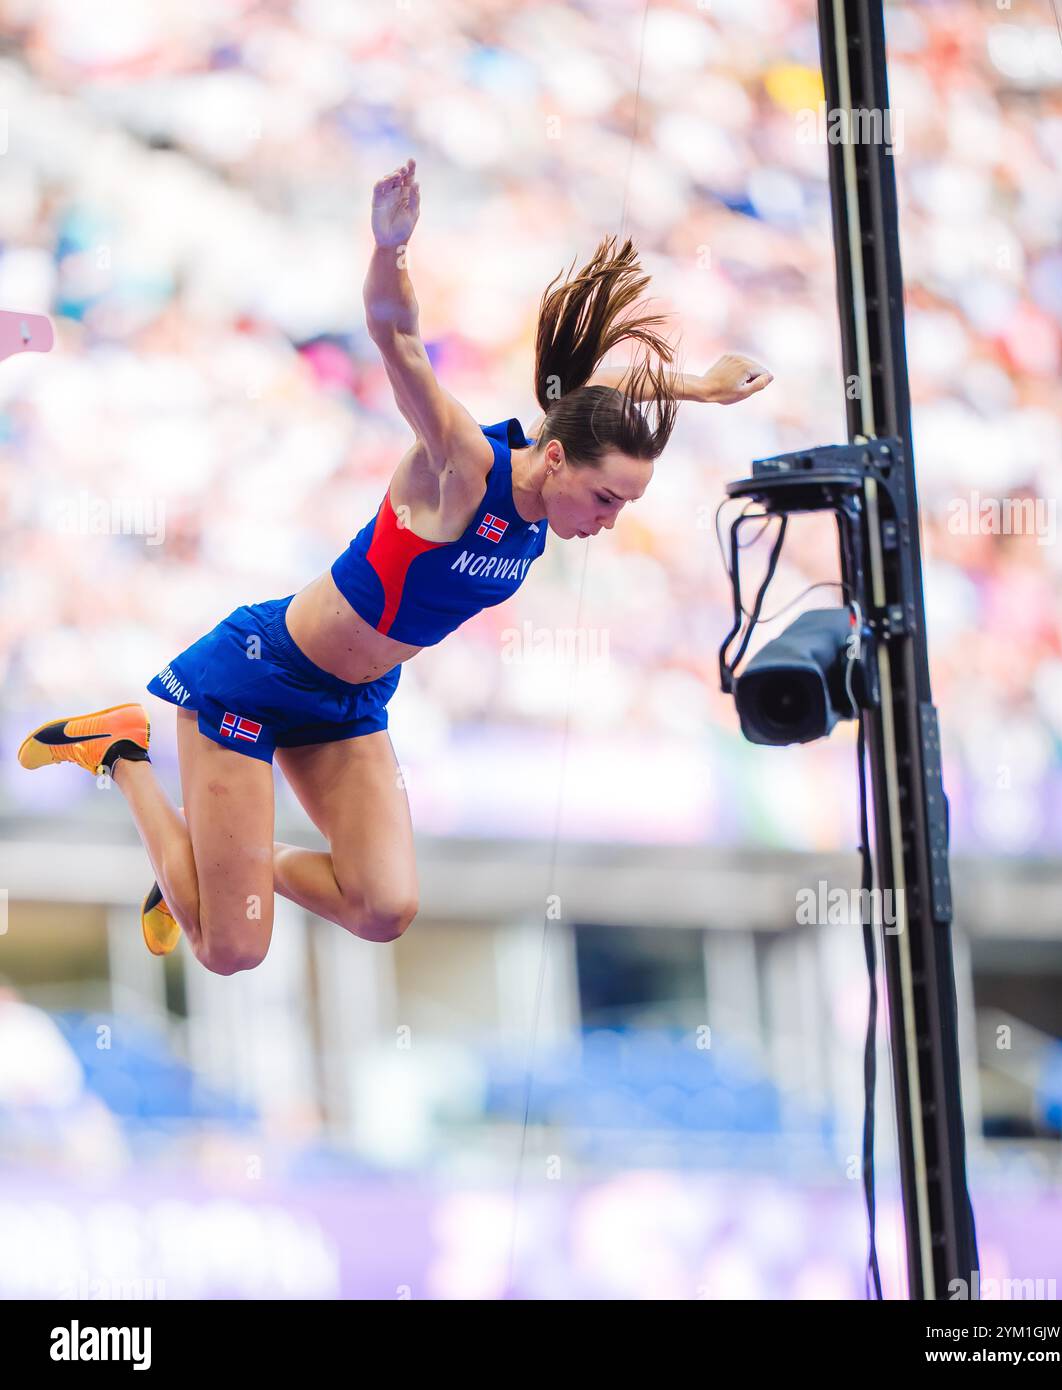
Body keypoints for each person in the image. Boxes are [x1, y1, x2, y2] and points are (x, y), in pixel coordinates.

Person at [18, 158, 773, 975]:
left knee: (384, 908)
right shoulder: (462, 468)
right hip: (257, 676)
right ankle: (119, 751)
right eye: (603, 499)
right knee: (231, 948)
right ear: (554, 461)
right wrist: (391, 247)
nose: (606, 521)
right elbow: (397, 338)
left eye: (622, 505)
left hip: (350, 700)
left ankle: (226, 865)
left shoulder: (561, 457)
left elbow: (599, 396)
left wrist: (697, 388)